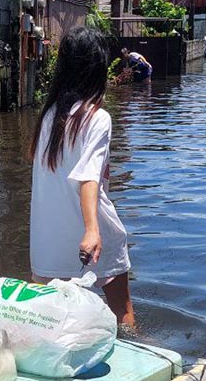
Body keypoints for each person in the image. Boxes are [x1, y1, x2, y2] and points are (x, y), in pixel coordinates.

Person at [30, 27, 135, 327]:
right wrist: (92, 229)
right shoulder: (97, 118)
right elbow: (87, 178)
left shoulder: (48, 116)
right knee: (121, 313)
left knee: (49, 323)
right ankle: (142, 362)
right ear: (97, 70)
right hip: (89, 236)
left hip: (46, 241)